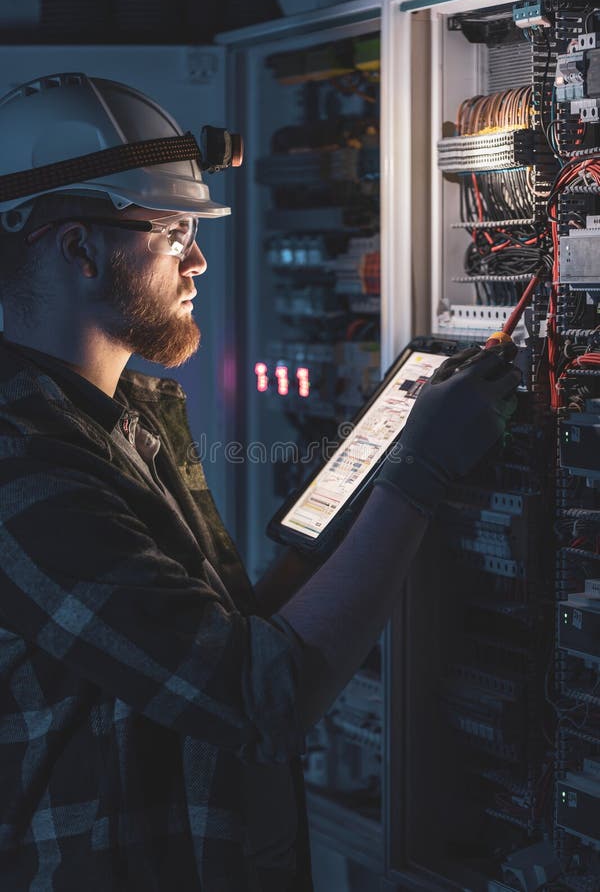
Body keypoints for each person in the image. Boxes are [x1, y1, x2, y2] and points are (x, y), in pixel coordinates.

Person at [0, 73, 520, 892]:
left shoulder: (126, 419)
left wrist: (359, 484)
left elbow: (231, 636)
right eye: (175, 232)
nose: (199, 259)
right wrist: (417, 473)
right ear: (79, 246)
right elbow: (253, 696)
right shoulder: (22, 469)